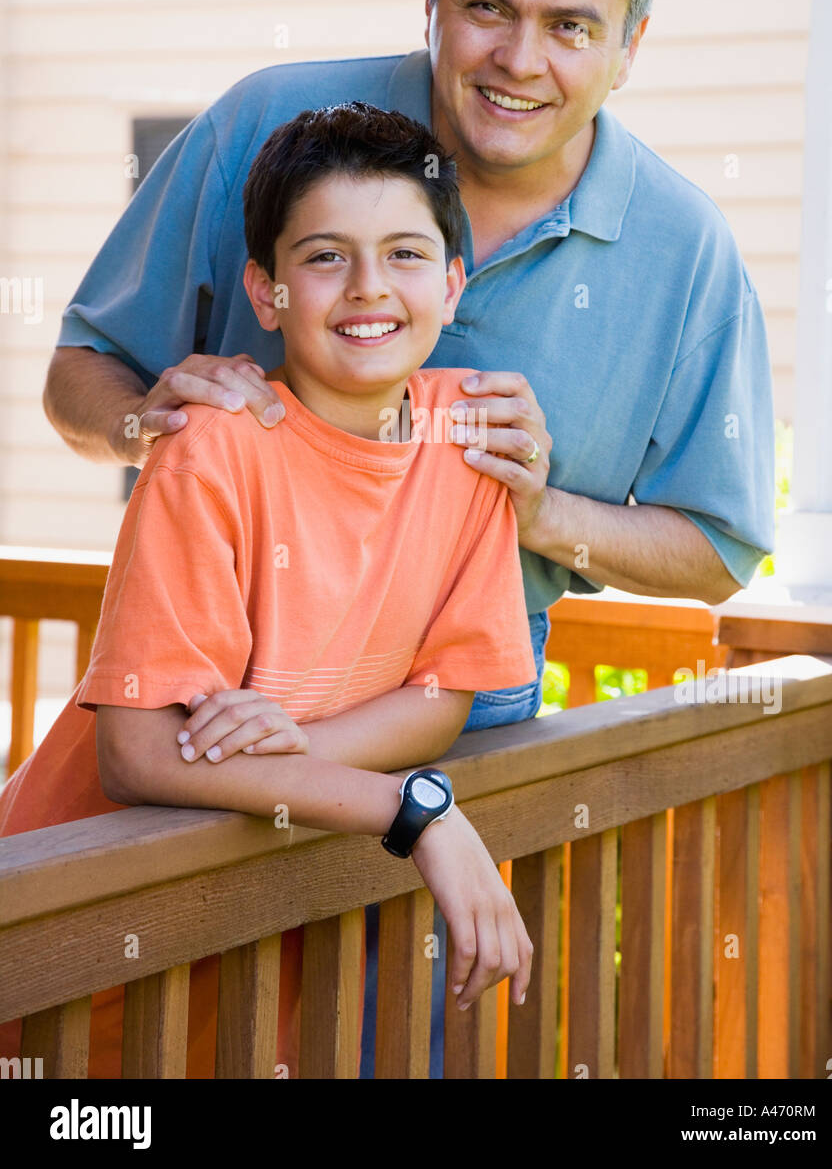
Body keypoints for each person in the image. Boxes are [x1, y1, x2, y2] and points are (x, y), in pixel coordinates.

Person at [43, 0, 776, 736]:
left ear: (629, 45)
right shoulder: (262, 127)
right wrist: (148, 423)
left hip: (463, 693)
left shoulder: (686, 250)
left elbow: (718, 549)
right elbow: (80, 371)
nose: (519, 58)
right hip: (216, 673)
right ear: (431, 0)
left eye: (571, 26)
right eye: (487, 6)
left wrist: (540, 513)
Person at [0, 103, 536, 1077]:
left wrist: (296, 749)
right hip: (66, 916)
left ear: (453, 283)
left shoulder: (471, 440)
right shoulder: (212, 444)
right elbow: (138, 755)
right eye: (326, 256)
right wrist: (411, 810)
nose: (369, 288)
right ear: (267, 287)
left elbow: (443, 690)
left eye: (406, 253)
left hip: (242, 931)